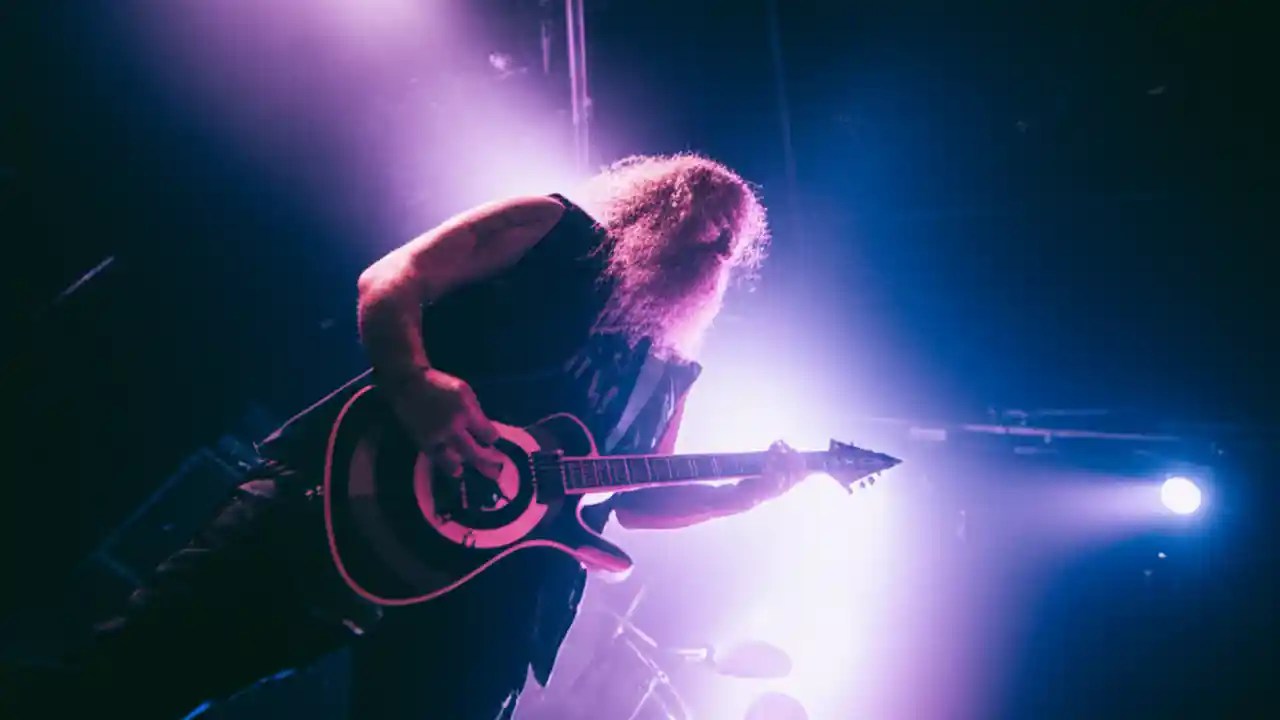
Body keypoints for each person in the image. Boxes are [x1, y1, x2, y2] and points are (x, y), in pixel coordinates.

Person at [8, 153, 804, 719]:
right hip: (342, 505)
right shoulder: (549, 230)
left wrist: (746, 493)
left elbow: (638, 500)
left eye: (731, 246)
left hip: (483, 604)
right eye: (704, 222)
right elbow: (393, 281)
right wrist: (416, 383)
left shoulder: (669, 374)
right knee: (124, 684)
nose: (715, 249)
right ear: (656, 201)